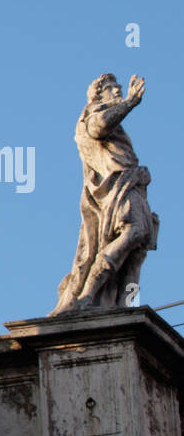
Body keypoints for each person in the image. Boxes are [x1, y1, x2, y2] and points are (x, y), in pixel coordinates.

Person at [51, 73, 157, 314]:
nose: (118, 90)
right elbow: (99, 127)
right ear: (99, 94)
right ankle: (88, 293)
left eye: (119, 87)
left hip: (132, 185)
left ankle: (126, 305)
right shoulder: (91, 114)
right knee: (134, 232)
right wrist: (129, 102)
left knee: (138, 247)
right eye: (112, 87)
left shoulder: (112, 119)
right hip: (116, 189)